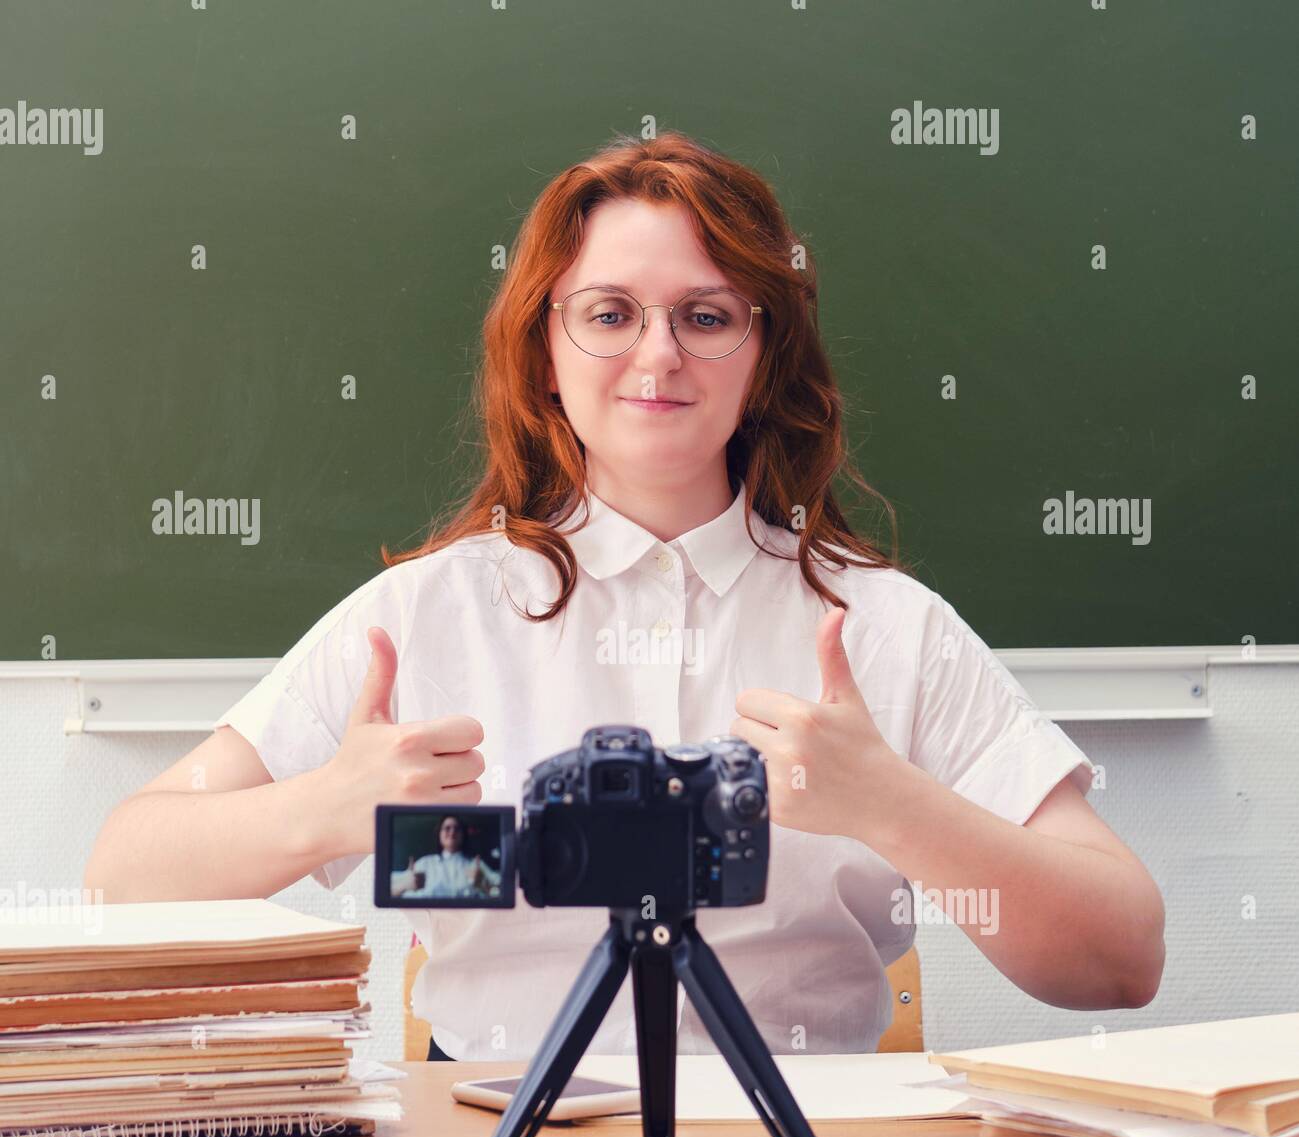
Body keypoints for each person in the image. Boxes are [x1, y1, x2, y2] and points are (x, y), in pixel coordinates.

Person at [84, 131, 1165, 1063]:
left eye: (705, 316)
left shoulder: (882, 627)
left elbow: (1123, 958)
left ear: (763, 354)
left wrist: (891, 801)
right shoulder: (422, 615)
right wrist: (326, 807)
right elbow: (121, 875)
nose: (658, 356)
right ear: (546, 350)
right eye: (609, 313)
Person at [389, 815, 502, 900]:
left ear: (463, 835)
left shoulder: (475, 865)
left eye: (457, 828)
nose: (452, 831)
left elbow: (503, 892)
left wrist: (484, 884)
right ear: (439, 834)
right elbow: (387, 890)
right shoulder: (425, 864)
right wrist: (405, 885)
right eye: (447, 828)